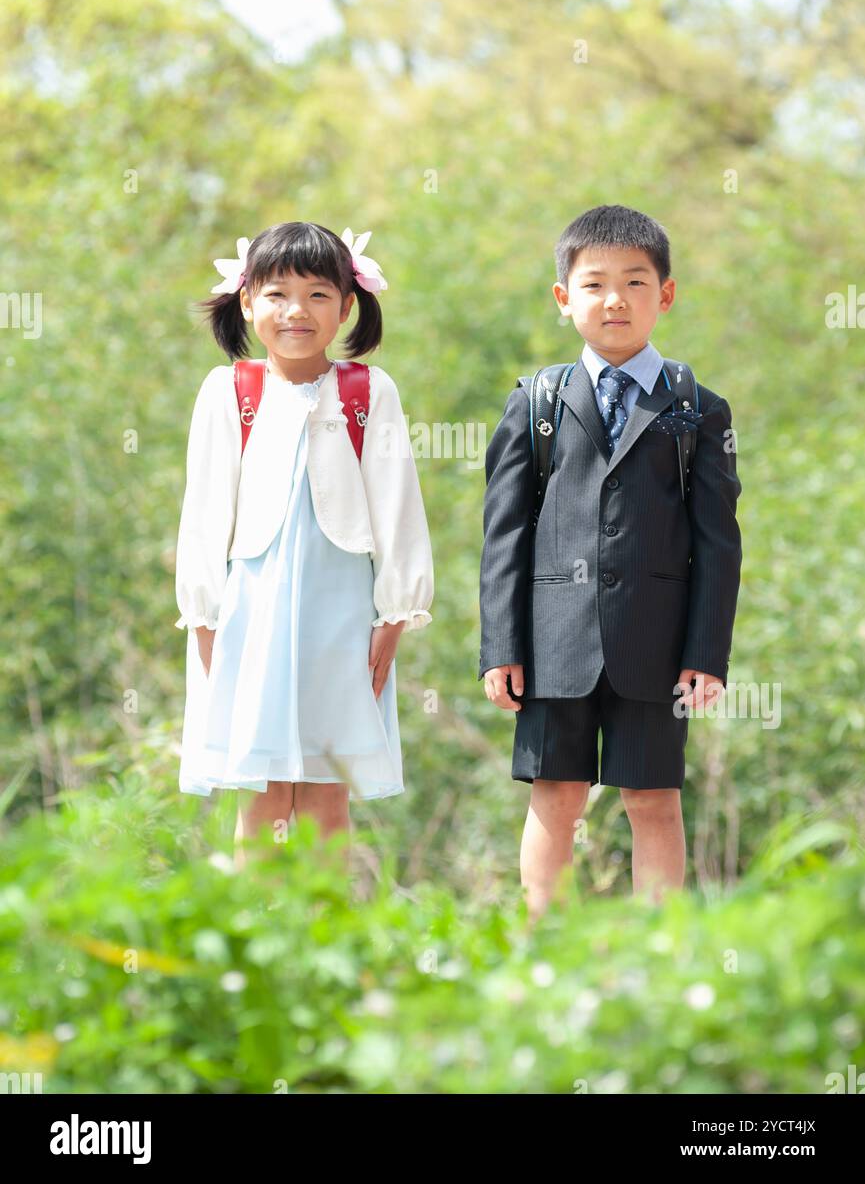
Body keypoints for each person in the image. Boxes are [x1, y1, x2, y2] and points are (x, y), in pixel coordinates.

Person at [478, 204, 742, 919]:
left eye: (634, 281)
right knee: (554, 795)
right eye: (593, 284)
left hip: (656, 644)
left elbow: (719, 542)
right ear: (564, 299)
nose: (614, 299)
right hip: (550, 640)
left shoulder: (697, 409)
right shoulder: (534, 402)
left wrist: (706, 655)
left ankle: (657, 956)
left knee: (652, 799)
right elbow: (503, 535)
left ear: (666, 294)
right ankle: (543, 946)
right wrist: (499, 647)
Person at [174, 221, 434, 866]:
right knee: (261, 795)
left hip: (342, 612)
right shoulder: (228, 390)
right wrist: (205, 620)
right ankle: (257, 948)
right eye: (277, 294)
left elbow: (399, 506)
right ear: (246, 301)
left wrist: (394, 616)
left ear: (347, 306)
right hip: (248, 613)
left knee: (326, 789)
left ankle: (325, 941)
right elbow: (204, 513)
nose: (297, 311)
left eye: (319, 294)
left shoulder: (369, 392)